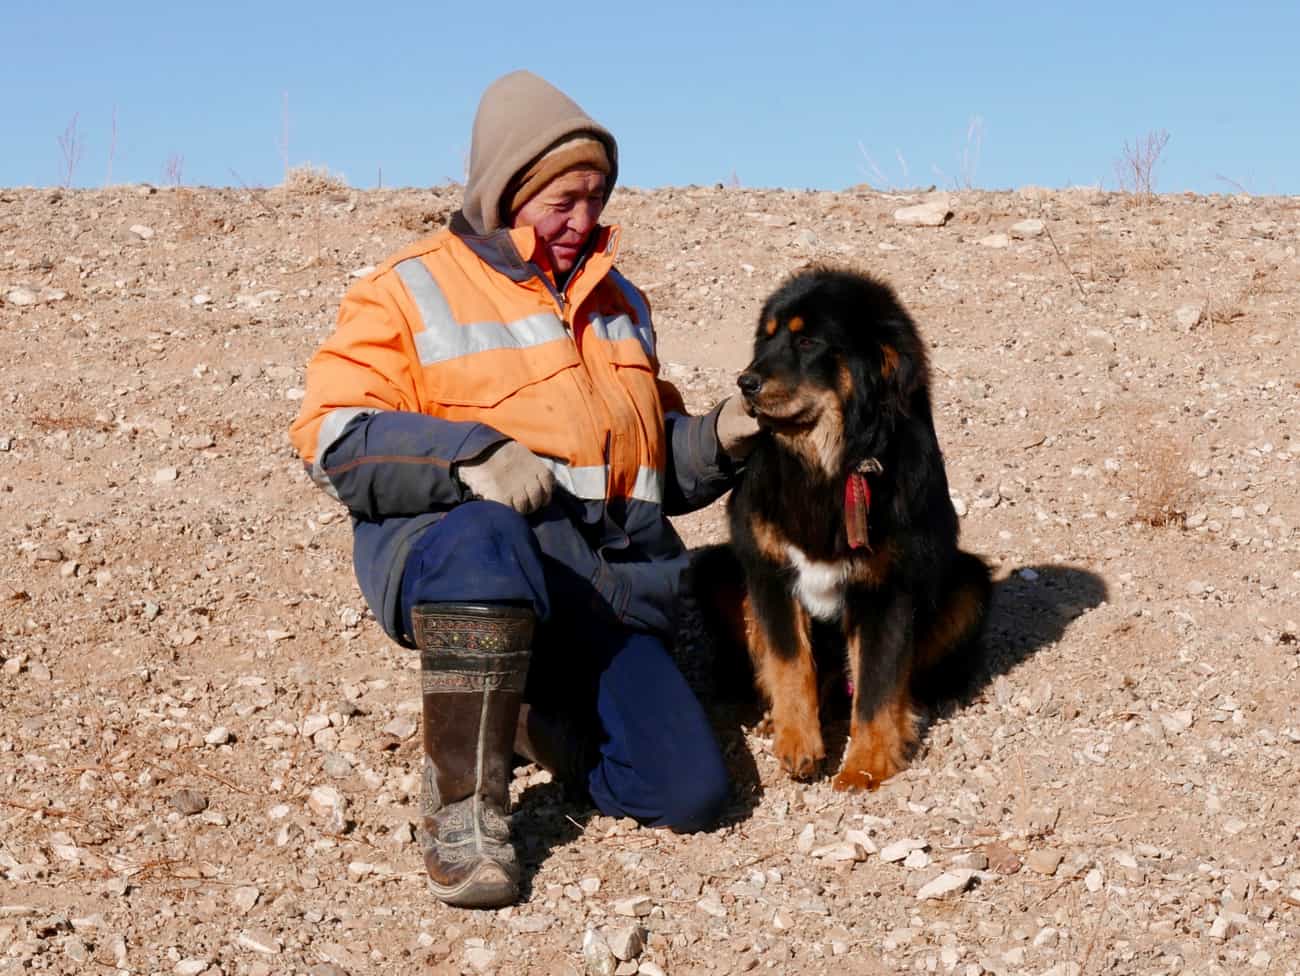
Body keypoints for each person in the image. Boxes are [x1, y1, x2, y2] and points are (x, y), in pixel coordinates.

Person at [289, 70, 759, 909]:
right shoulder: (406, 287)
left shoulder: (622, 306)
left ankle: (533, 721)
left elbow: (650, 469)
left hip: (601, 592)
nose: (584, 220)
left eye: (598, 196)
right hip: (472, 566)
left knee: (688, 793)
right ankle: (463, 810)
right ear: (509, 188)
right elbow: (333, 437)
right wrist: (472, 453)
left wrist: (722, 436)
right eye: (563, 200)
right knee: (486, 537)